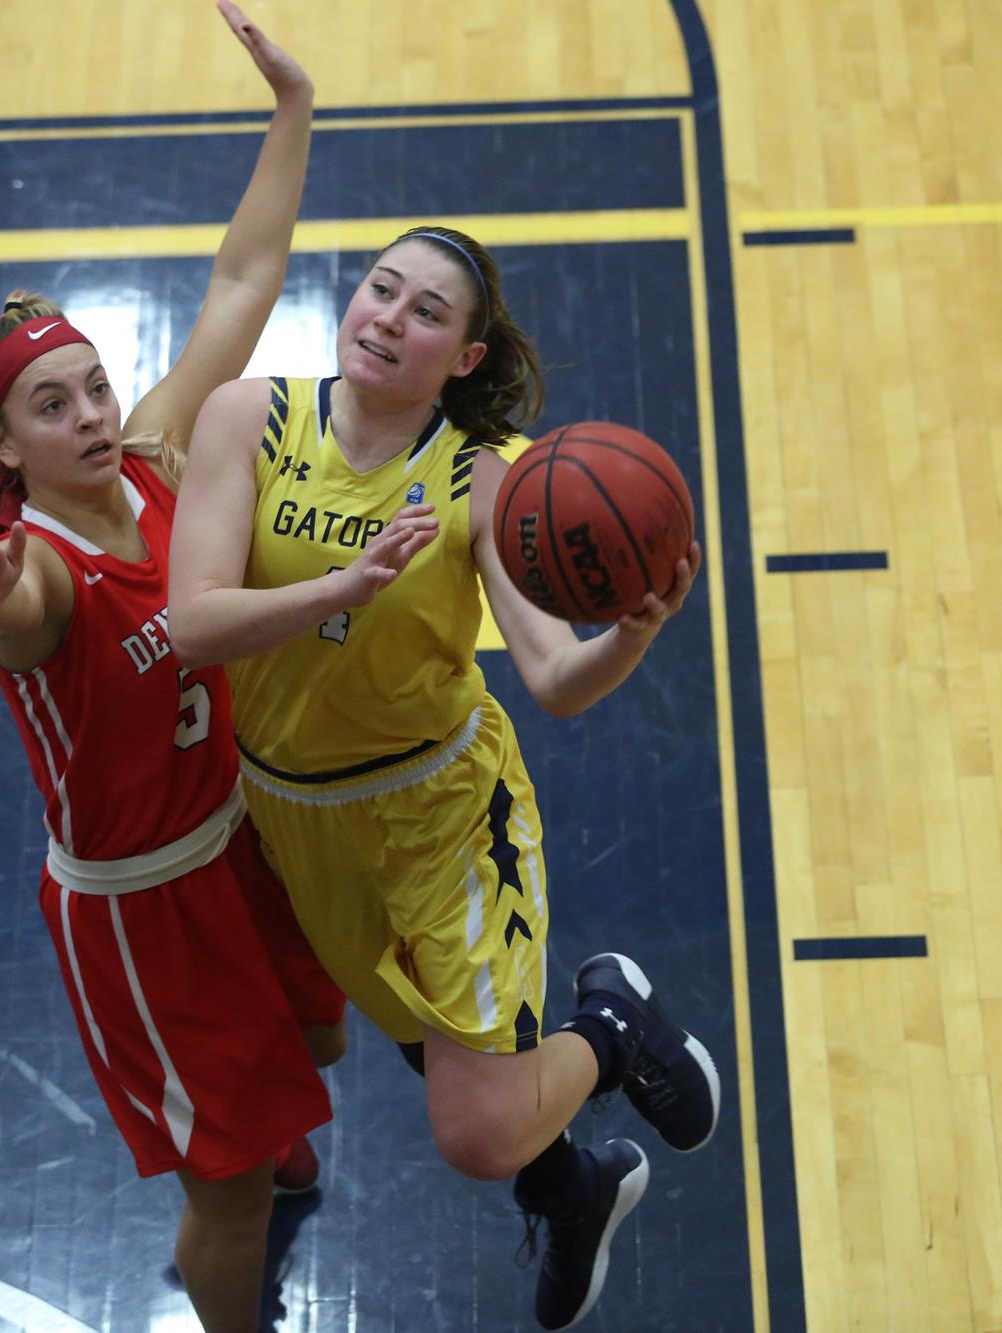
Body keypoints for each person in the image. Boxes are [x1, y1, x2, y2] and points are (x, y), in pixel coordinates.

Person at [167, 224, 721, 1330]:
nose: (388, 317)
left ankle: (613, 1021)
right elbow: (192, 624)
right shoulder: (251, 417)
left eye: (427, 312)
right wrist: (342, 587)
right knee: (447, 1053)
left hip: (441, 812)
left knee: (472, 1129)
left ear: (463, 358)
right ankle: (575, 1187)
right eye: (380, 289)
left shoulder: (480, 479)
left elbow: (554, 678)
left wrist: (631, 634)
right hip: (293, 811)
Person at [0, 7, 346, 1331]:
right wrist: (2, 601)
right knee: (223, 1192)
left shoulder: (159, 454)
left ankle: (275, 1148)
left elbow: (240, 283)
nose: (91, 417)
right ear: (4, 443)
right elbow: (23, 622)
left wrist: (290, 109)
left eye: (95, 388)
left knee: (326, 1045)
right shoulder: (39, 564)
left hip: (241, 833)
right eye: (50, 408)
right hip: (143, 910)